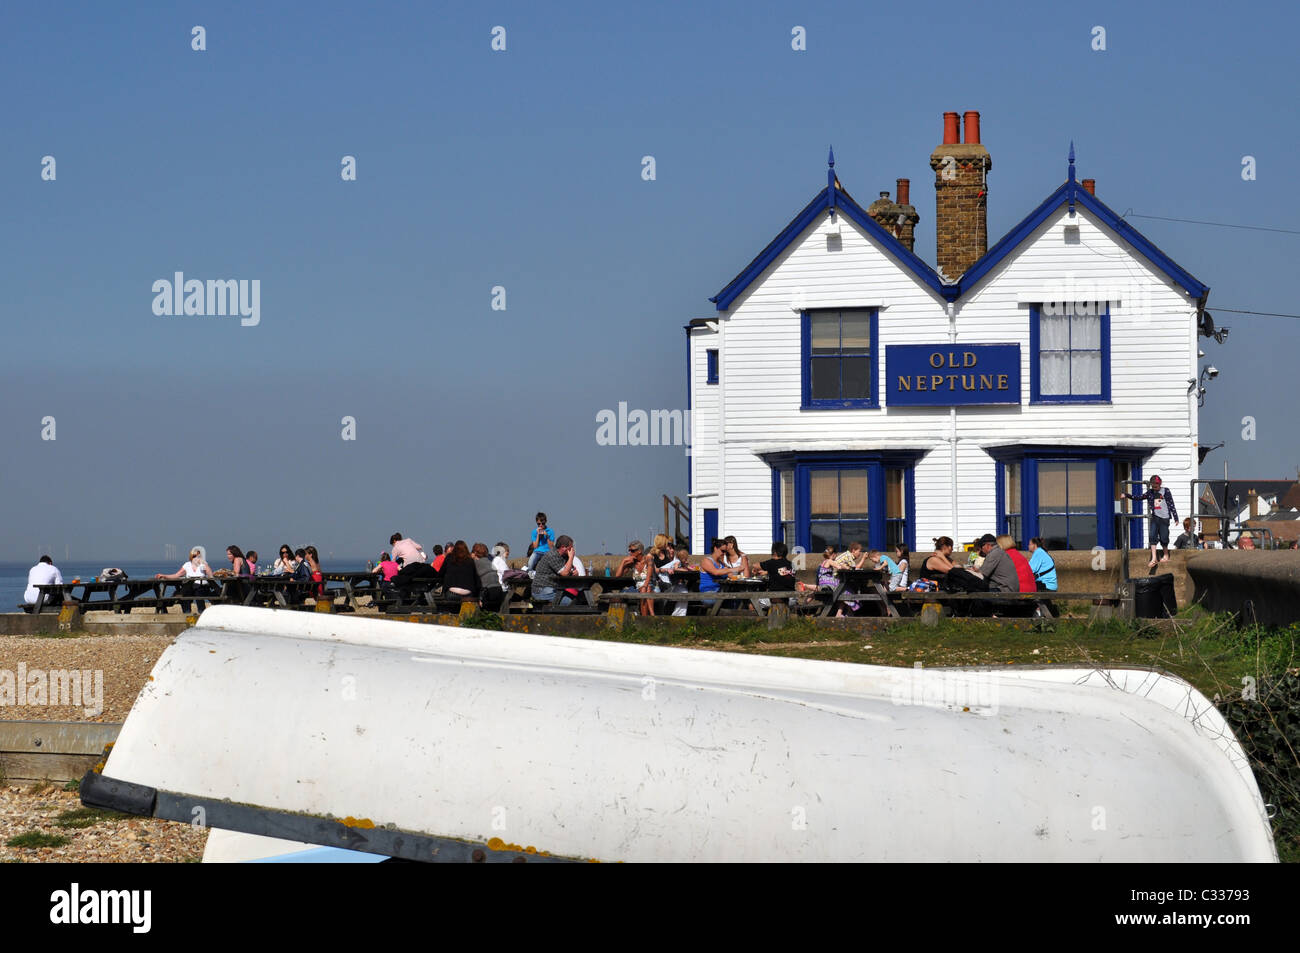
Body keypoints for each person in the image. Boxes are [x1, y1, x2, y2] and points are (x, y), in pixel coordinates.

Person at [1122, 475, 1179, 568]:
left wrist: (1176, 518)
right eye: (1153, 485)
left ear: (1160, 483)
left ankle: (1166, 555)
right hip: (1155, 517)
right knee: (1152, 535)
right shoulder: (1150, 493)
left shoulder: (1166, 491)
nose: (1154, 487)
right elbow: (1138, 497)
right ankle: (1154, 558)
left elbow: (1171, 504)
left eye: (1156, 485)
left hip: (1164, 518)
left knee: (1164, 537)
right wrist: (1127, 495)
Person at [156, 547, 215, 613]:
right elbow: (176, 575)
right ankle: (187, 612)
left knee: (199, 593)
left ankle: (201, 612)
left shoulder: (203, 564)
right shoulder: (187, 565)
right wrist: (164, 576)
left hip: (202, 586)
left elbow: (210, 576)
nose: (196, 558)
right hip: (190, 587)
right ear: (191, 557)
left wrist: (205, 565)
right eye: (194, 556)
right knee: (184, 594)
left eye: (199, 556)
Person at [920, 537, 987, 592]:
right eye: (951, 546)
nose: (952, 549)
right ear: (946, 547)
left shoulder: (947, 559)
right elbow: (953, 571)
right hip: (931, 591)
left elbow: (959, 568)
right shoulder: (934, 559)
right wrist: (943, 557)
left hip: (943, 589)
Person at [532, 534, 576, 604]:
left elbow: (573, 571)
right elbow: (565, 574)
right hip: (542, 589)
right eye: (570, 547)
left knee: (576, 598)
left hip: (554, 589)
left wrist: (573, 571)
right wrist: (571, 558)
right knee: (570, 602)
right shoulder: (552, 555)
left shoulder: (564, 556)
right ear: (563, 547)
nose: (572, 550)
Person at [471, 543, 504, 609]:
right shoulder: (489, 562)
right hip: (499, 592)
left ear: (475, 553)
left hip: (487, 594)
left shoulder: (475, 563)